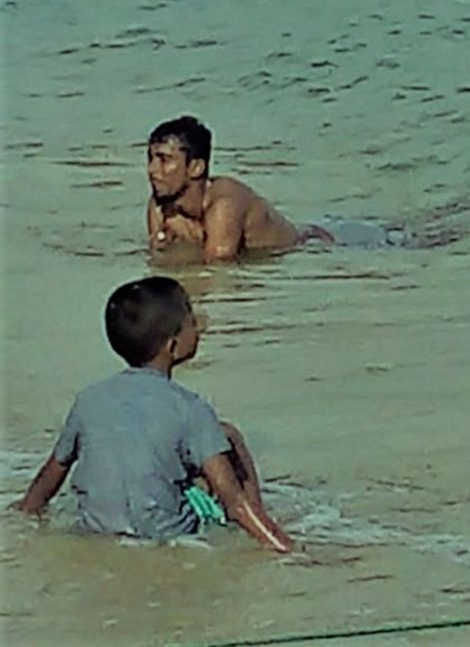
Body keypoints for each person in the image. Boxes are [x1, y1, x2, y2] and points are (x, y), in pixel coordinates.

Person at [16, 276, 293, 552]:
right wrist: (285, 547)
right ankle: (264, 526)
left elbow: (48, 480)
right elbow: (234, 502)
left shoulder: (89, 400)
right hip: (165, 537)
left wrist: (23, 517)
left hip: (97, 532)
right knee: (228, 437)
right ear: (172, 346)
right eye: (192, 323)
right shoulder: (191, 407)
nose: (200, 329)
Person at [147, 115, 332, 262]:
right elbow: (158, 260)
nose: (152, 170)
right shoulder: (160, 204)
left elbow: (217, 271)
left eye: (164, 160)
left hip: (308, 245)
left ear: (196, 168)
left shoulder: (224, 204)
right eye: (151, 158)